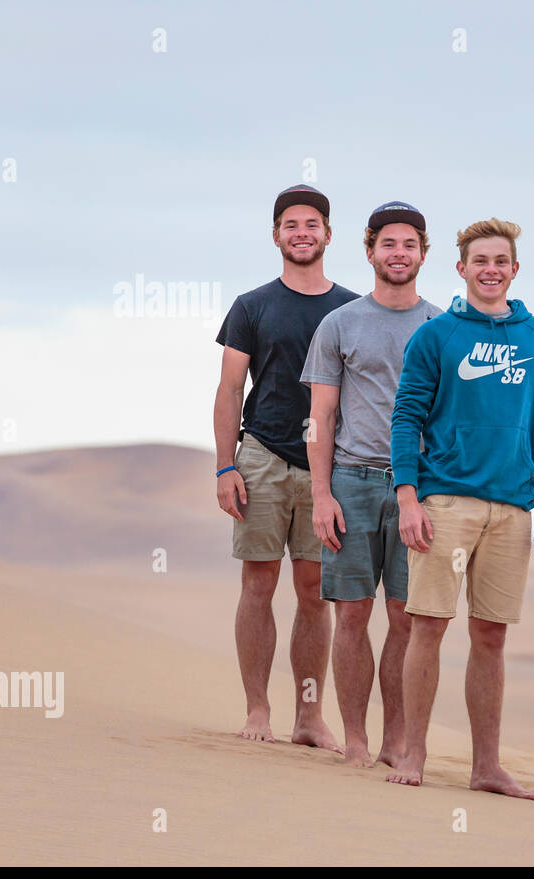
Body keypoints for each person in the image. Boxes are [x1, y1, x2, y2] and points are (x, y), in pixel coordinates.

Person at [386, 217, 534, 799]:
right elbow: (406, 418)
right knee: (429, 626)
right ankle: (413, 752)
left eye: (501, 261)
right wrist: (409, 497)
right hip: (445, 502)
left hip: (513, 508)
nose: (491, 270)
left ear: (514, 270)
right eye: (480, 261)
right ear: (461, 269)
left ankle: (485, 766)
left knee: (491, 637)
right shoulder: (437, 335)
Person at [212, 184, 357, 750]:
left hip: (328, 466)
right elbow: (228, 390)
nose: (302, 233)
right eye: (291, 225)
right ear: (276, 235)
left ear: (328, 234)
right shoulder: (252, 305)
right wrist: (226, 467)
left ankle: (309, 717)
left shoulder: (350, 308)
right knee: (258, 582)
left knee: (315, 590)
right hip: (263, 457)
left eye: (312, 224)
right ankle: (256, 709)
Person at [301, 201, 442, 767]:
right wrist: (320, 492)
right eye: (388, 244)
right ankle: (356, 740)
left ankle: (395, 743)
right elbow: (321, 416)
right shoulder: (338, 324)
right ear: (369, 252)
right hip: (352, 483)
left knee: (407, 619)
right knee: (352, 613)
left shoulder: (442, 326)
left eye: (409, 244)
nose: (398, 253)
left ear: (424, 254)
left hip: (420, 491)